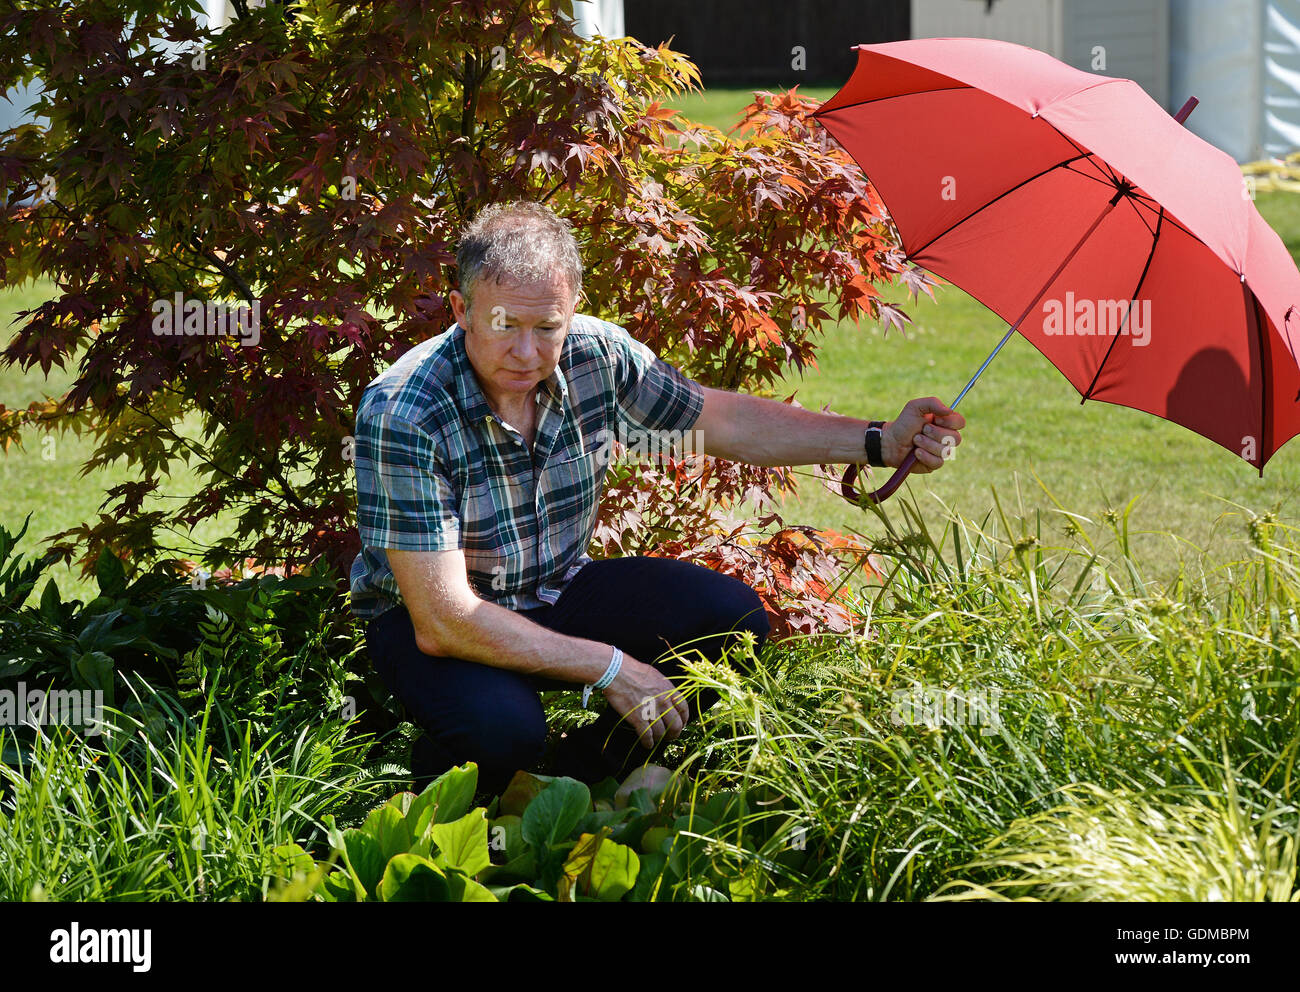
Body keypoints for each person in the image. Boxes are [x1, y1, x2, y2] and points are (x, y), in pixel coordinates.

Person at [350, 200, 965, 796]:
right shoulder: (406, 410)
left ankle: (584, 774)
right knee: (502, 731)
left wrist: (880, 443)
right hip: (433, 619)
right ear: (462, 309)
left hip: (557, 586)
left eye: (548, 327)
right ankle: (440, 801)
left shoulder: (598, 354)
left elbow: (718, 420)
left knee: (731, 621)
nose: (528, 352)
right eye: (505, 325)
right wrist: (610, 666)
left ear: (572, 311)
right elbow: (443, 619)